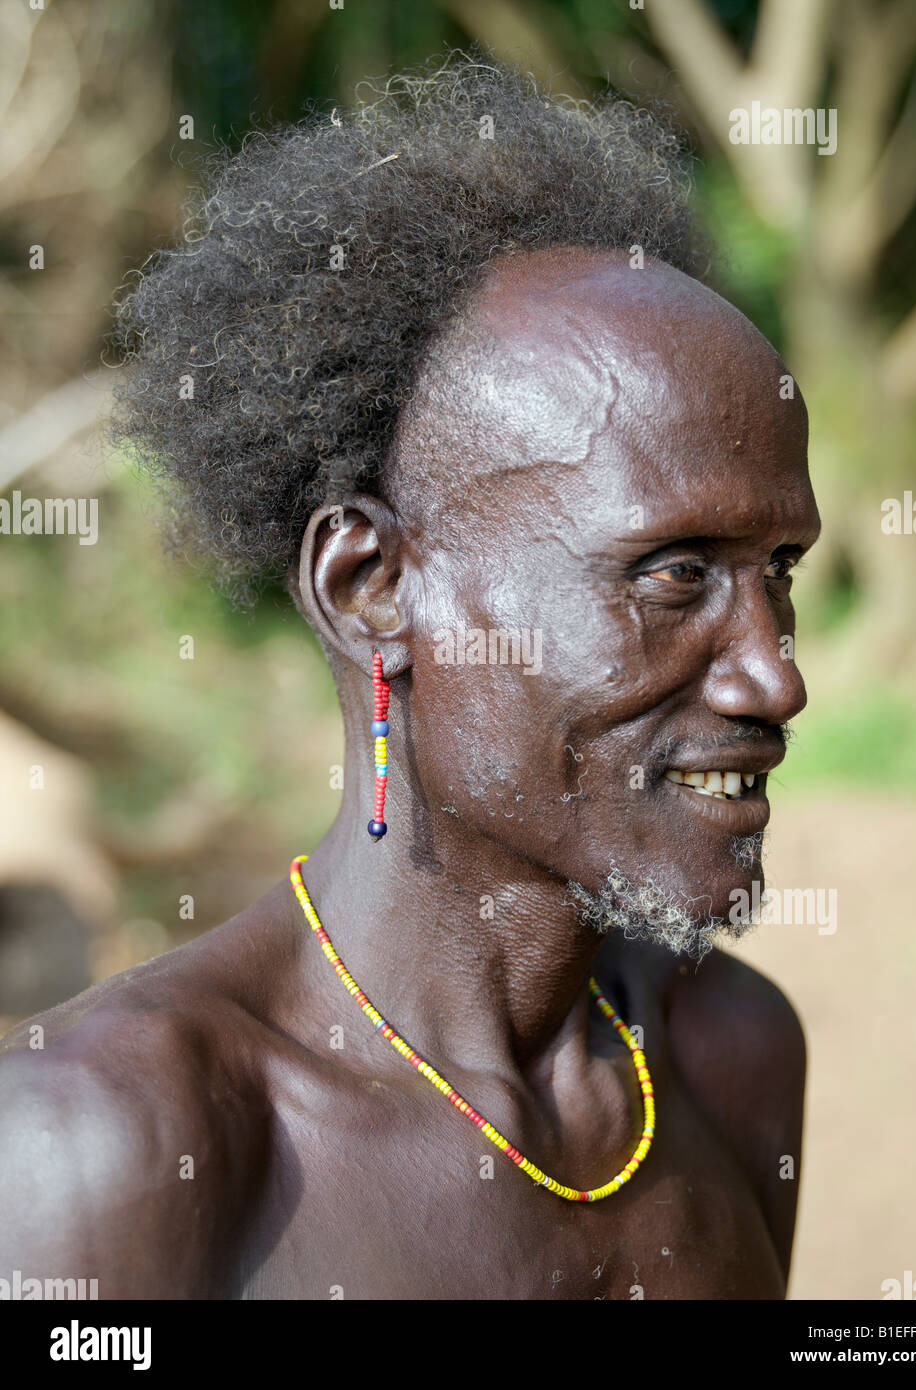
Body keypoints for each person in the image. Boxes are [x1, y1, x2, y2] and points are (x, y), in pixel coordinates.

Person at [0, 54, 817, 1300]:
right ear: (370, 587)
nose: (775, 679)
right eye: (674, 576)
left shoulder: (727, 1056)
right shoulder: (119, 1144)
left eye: (781, 572)